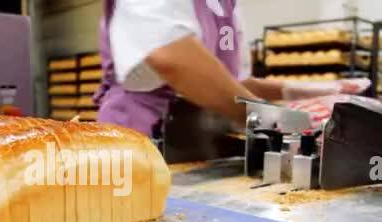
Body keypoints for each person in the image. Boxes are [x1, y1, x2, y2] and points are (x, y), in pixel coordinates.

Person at [94, 0, 369, 136]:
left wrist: (318, 90)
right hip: (140, 134)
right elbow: (169, 55)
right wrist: (271, 118)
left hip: (199, 144)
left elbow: (236, 82)